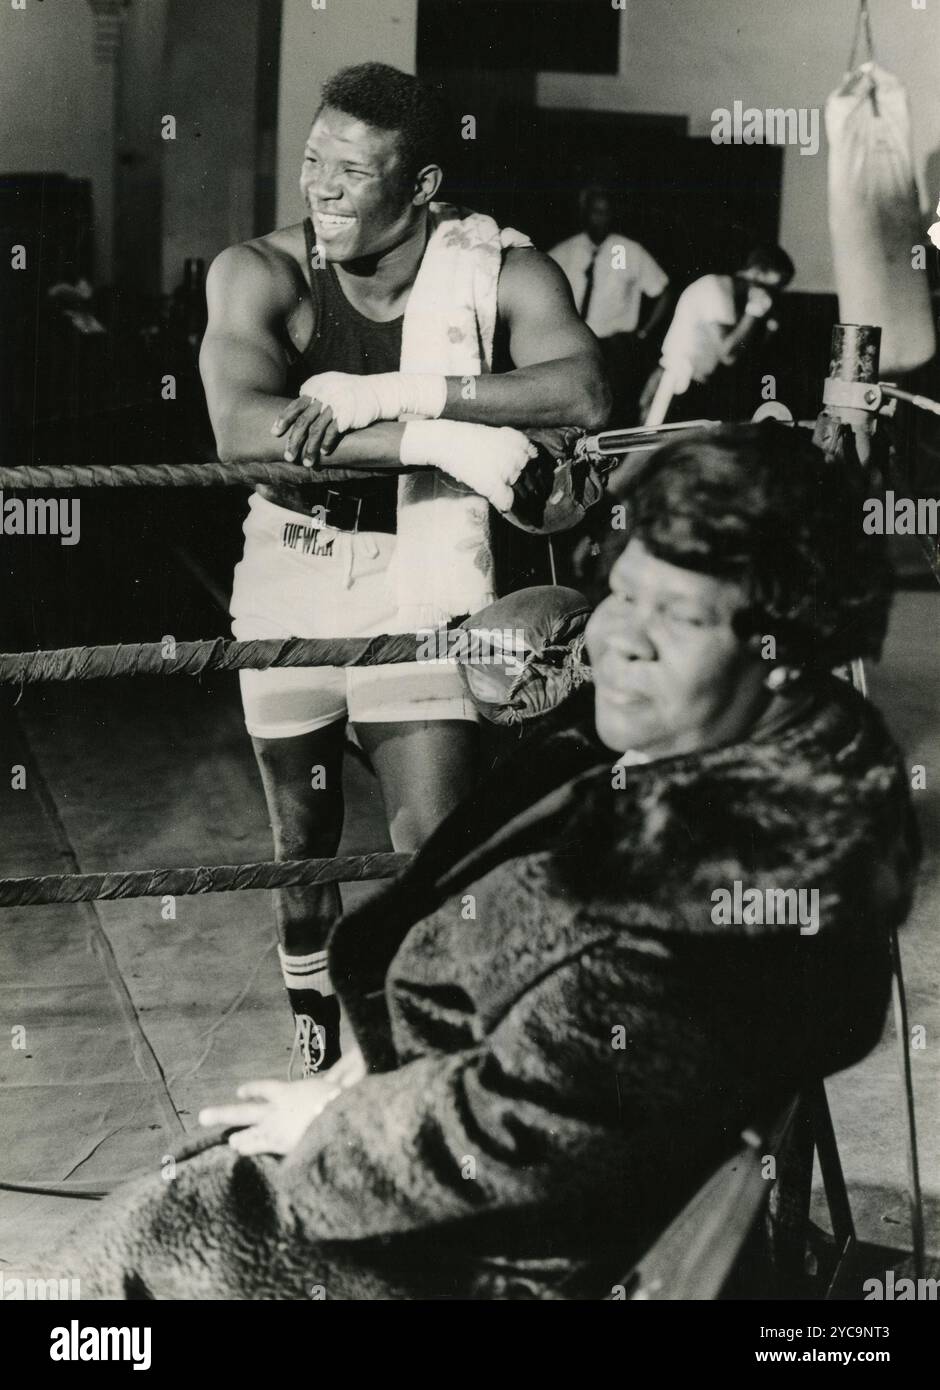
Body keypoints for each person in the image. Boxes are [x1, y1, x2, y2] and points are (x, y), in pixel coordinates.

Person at [48, 422, 919, 1300]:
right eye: (623, 593)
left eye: (681, 617)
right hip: (415, 1161)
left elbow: (519, 1136)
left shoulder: (725, 891)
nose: (617, 638)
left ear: (783, 658)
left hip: (442, 1251)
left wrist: (336, 1121)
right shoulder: (715, 767)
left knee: (86, 1287)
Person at [199, 63, 610, 1074]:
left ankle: (411, 1065)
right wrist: (440, 440)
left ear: (422, 187)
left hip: (418, 561)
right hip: (291, 563)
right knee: (302, 835)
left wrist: (397, 393)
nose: (321, 188)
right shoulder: (259, 271)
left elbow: (586, 392)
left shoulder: (498, 268)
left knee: (429, 828)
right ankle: (313, 1048)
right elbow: (242, 430)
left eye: (351, 170)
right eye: (311, 161)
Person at [550, 187, 671, 423]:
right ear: (585, 214)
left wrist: (644, 332)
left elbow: (663, 291)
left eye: (606, 212)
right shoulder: (565, 251)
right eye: (595, 212)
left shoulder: (628, 250)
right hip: (576, 344)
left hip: (616, 349)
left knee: (616, 410)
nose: (600, 218)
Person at [639, 243, 795, 425]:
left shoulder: (733, 299)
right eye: (774, 288)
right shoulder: (714, 288)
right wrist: (754, 311)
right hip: (675, 382)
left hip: (693, 385)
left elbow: (742, 354)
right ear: (757, 272)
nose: (773, 295)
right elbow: (727, 353)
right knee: (650, 450)